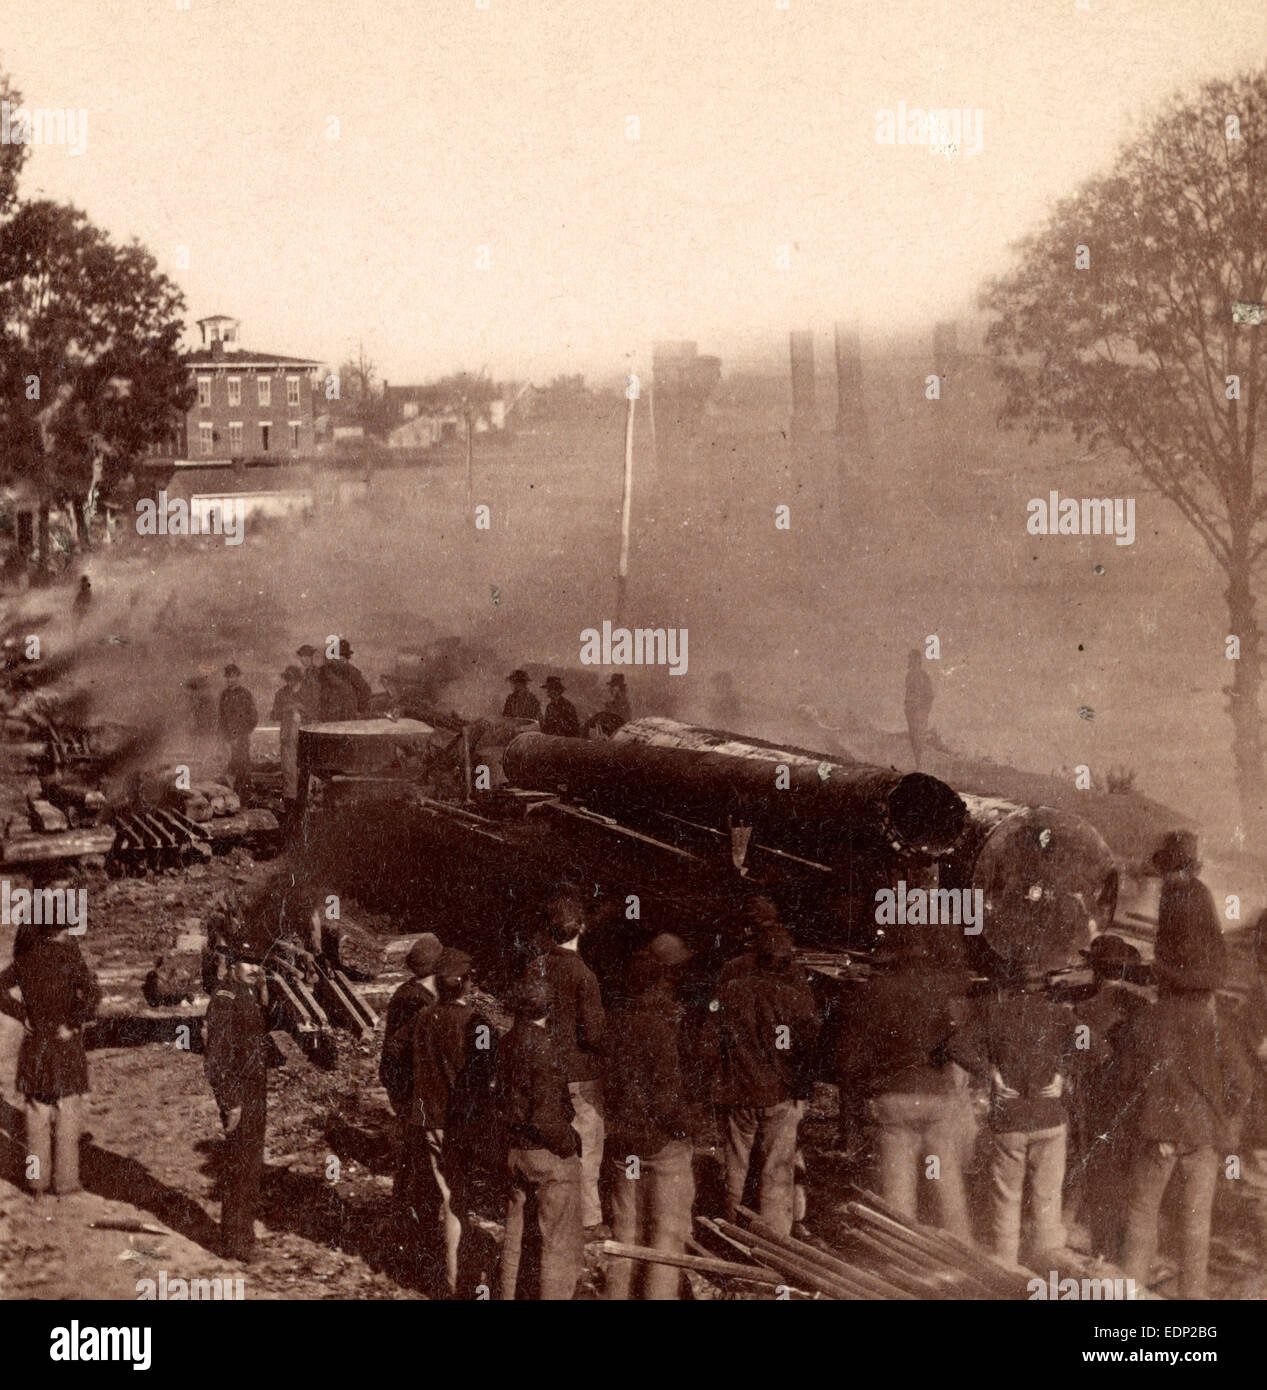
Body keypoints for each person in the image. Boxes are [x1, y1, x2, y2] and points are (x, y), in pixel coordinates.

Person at [1119, 955, 1253, 1298]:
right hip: (1203, 1136)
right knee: (1196, 1219)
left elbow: (1130, 1079)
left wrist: (1158, 1125)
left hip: (1158, 1134)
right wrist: (1216, 1117)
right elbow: (1242, 1082)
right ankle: (1193, 1296)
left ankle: (1130, 1291)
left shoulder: (1147, 1018)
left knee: (1142, 1210)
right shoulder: (1217, 1024)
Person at [835, 919, 972, 1239]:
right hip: (936, 1095)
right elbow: (957, 1040)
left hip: (894, 1099)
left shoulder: (872, 993)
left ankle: (902, 1252)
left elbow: (848, 1058)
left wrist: (863, 1089)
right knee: (945, 1177)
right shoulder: (938, 989)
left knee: (898, 1187)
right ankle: (961, 1249)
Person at [948, 963, 1088, 1267]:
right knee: (1047, 1198)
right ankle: (1048, 1269)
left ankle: (1005, 1265)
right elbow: (1096, 1047)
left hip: (1009, 1120)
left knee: (1007, 1197)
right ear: (1044, 986)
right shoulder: (1060, 1014)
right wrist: (1063, 1074)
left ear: (1009, 985)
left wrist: (990, 1073)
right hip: (1049, 1118)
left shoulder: (994, 1013)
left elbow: (956, 1046)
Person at [713, 923, 819, 1236]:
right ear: (787, 962)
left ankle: (730, 1231)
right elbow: (809, 1050)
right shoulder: (794, 998)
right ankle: (775, 1242)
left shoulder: (729, 991)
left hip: (737, 1093)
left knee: (735, 1166)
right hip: (779, 1094)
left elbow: (709, 1039)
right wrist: (801, 1089)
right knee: (777, 1170)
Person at [603, 948, 694, 1299]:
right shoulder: (659, 1030)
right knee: (666, 1237)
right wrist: (686, 1129)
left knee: (625, 1233)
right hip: (660, 1147)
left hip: (624, 1146)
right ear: (656, 987)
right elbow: (667, 1099)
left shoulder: (613, 1025)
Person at [407, 947, 496, 1297]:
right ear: (467, 983)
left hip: (430, 1119)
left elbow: (400, 1061)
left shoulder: (423, 1018)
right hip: (461, 1124)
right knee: (458, 1202)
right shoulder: (477, 1024)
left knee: (449, 1197)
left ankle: (450, 1278)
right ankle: (457, 1283)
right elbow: (487, 1077)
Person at [524, 884, 607, 1234]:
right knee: (586, 1144)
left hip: (542, 1070)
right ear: (582, 927)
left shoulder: (535, 968)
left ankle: (547, 1208)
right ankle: (587, 1217)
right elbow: (593, 1034)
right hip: (578, 1075)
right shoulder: (585, 976)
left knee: (549, 1140)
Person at [0, 918, 101, 1197]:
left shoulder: (26, 960)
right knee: (68, 1112)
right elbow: (94, 994)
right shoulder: (70, 958)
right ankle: (66, 1182)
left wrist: (22, 1014)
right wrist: (74, 1022)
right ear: (61, 931)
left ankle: (36, 1182)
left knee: (36, 1116)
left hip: (36, 1047)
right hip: (65, 1046)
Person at [497, 976, 584, 1300]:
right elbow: (546, 1118)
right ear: (550, 1009)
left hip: (515, 1151)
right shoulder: (545, 1047)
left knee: (514, 1237)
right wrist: (569, 1144)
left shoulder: (508, 1040)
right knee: (558, 1244)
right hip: (545, 1153)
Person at [1067, 934, 1145, 1261]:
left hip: (1097, 1105)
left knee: (1100, 1180)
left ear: (1095, 971)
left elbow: (1076, 1061)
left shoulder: (1084, 1010)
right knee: (1130, 1181)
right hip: (1135, 1104)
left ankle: (1103, 1253)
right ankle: (1128, 1257)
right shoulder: (1143, 1008)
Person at [204, 935, 271, 1261]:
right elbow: (216, 1058)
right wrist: (230, 1102)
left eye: (258, 963)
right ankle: (236, 1242)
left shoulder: (248, 993)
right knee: (240, 1167)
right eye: (247, 963)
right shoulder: (225, 998)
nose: (254, 969)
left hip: (255, 1089)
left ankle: (242, 1235)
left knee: (250, 1165)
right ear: (232, 965)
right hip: (240, 1093)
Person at [379, 934, 443, 1204]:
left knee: (411, 1157)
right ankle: (417, 1230)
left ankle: (405, 1218)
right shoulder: (418, 1003)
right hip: (414, 1092)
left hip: (405, 1088)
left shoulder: (409, 992)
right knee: (422, 1165)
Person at [1152, 830, 1226, 993]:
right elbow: (1164, 932)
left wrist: (1163, 966)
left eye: (1172, 868)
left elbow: (1191, 946)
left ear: (1187, 869)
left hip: (1195, 979)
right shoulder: (1169, 890)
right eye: (1165, 867)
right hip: (1177, 973)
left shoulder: (1196, 894)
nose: (1165, 874)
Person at [218, 664, 258, 792]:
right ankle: (233, 795)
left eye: (233, 676)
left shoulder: (245, 694)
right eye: (228, 677)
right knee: (229, 766)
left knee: (242, 766)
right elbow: (221, 718)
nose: (230, 679)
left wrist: (241, 734)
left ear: (238, 677)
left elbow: (253, 717)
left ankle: (244, 795)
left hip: (241, 738)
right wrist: (224, 737)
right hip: (228, 738)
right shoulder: (224, 695)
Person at [904, 648, 933, 770]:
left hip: (919, 710)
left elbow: (930, 694)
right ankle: (918, 764)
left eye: (913, 658)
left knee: (919, 736)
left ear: (918, 660)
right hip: (911, 710)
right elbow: (908, 693)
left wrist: (925, 708)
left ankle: (920, 764)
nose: (911, 661)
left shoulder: (923, 676)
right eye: (910, 658)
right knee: (913, 736)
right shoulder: (909, 675)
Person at [332, 639, 373, 715]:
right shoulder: (333, 671)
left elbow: (365, 690)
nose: (338, 659)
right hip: (336, 712)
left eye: (342, 656)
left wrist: (360, 710)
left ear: (346, 657)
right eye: (336, 657)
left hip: (350, 712)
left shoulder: (353, 672)